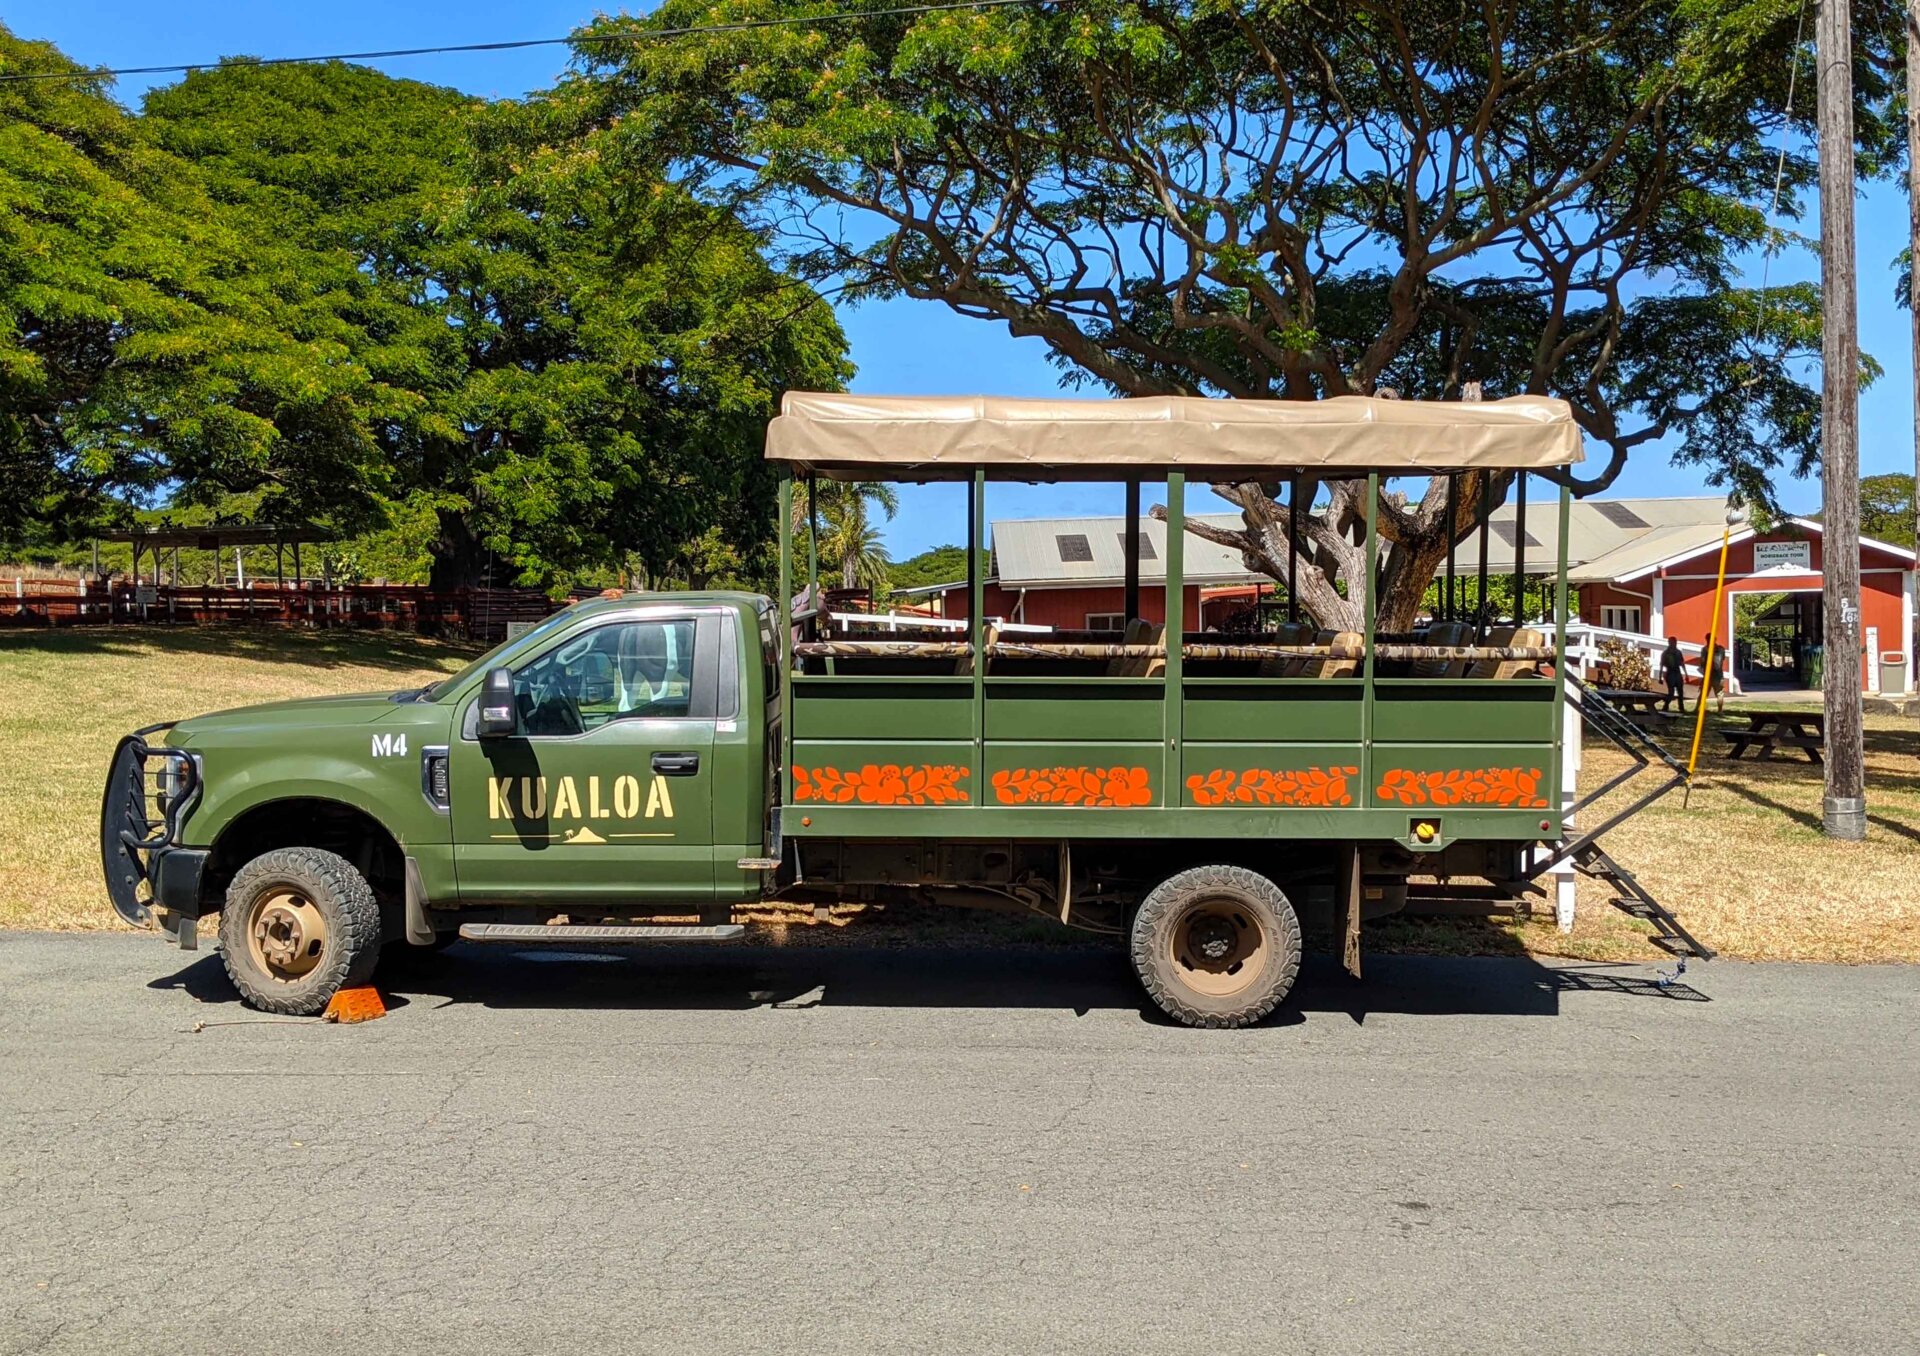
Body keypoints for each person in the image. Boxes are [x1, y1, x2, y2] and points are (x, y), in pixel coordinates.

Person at [1659, 637, 1686, 713]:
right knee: (1671, 692)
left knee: (1680, 691)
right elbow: (1661, 665)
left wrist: (1686, 674)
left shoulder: (1678, 652)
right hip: (1670, 673)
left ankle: (1681, 707)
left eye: (1675, 642)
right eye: (1672, 642)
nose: (1674, 644)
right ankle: (1665, 706)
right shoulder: (1665, 653)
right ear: (1669, 643)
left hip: (1678, 673)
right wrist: (1660, 677)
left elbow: (1682, 663)